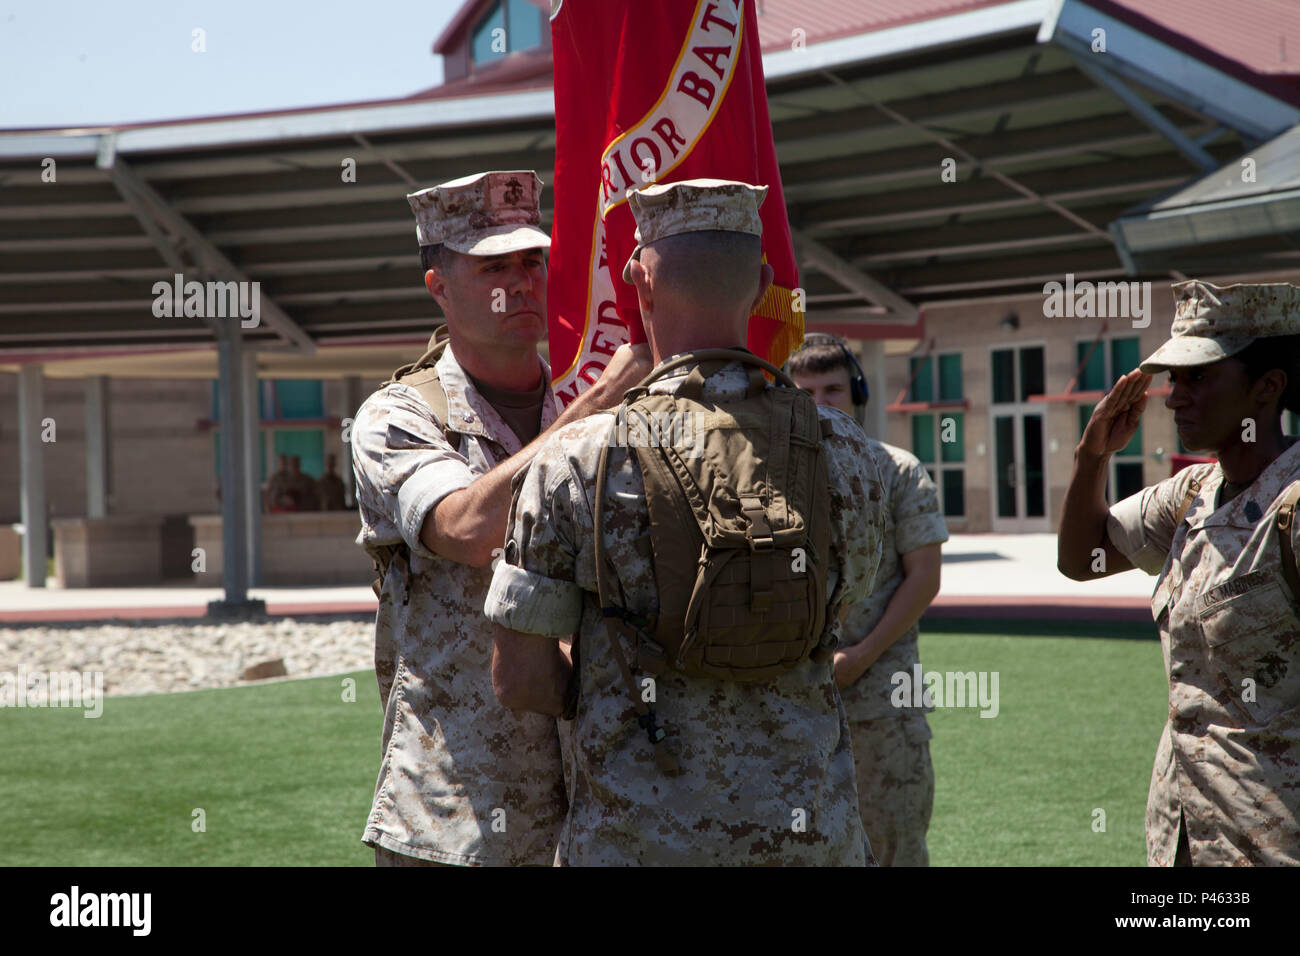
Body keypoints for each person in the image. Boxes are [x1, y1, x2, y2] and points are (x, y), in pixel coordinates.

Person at [484, 179, 886, 865]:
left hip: (637, 841)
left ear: (636, 280)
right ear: (761, 282)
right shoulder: (847, 450)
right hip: (811, 838)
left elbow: (518, 676)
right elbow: (842, 604)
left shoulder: (579, 459)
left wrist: (619, 688)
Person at [349, 169, 650, 866]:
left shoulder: (577, 400)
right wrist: (600, 404)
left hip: (598, 801)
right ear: (441, 287)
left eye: (531, 261)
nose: (520, 282)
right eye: (492, 265)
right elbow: (465, 528)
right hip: (458, 812)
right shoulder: (400, 416)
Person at [1058, 279, 1300, 866]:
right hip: (1184, 835)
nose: (1174, 397)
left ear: (1267, 388)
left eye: (1200, 377)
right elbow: (1082, 558)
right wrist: (1093, 457)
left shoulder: (1292, 506)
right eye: (1174, 379)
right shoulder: (1195, 493)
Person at [787, 333, 946, 866]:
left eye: (832, 390)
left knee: (893, 847)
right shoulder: (771, 481)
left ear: (857, 394)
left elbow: (924, 578)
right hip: (794, 705)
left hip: (884, 701)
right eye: (804, 393)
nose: (820, 404)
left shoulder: (897, 471)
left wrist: (861, 656)